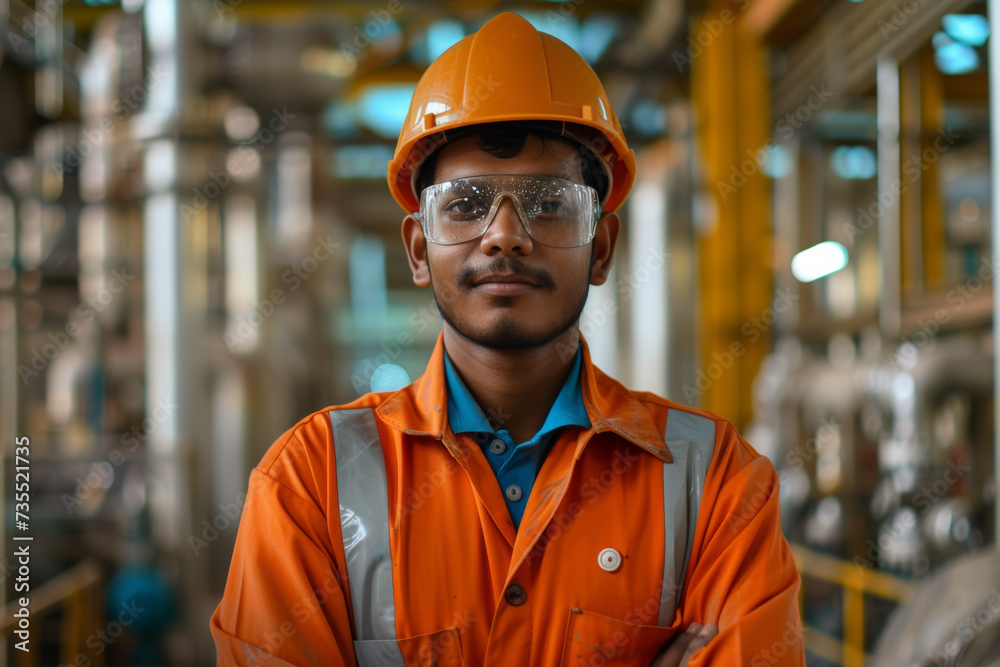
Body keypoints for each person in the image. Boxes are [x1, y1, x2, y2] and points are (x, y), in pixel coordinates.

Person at [210, 12, 804, 667]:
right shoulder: (309, 485)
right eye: (464, 205)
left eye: (550, 203)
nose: (504, 235)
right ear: (417, 249)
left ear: (602, 247)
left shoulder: (716, 483)